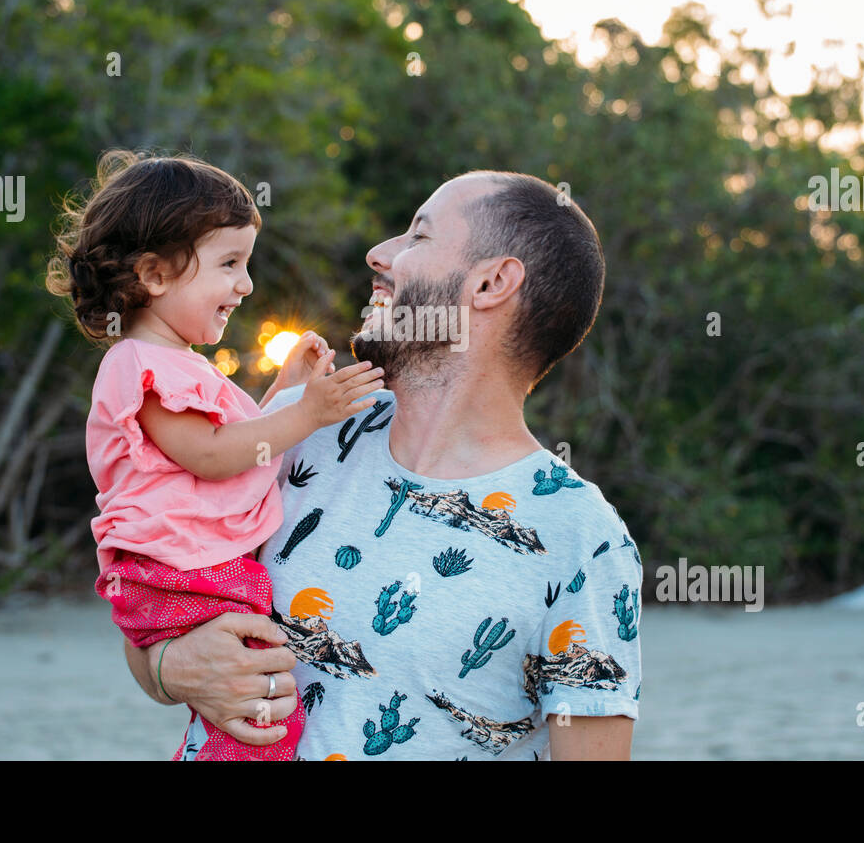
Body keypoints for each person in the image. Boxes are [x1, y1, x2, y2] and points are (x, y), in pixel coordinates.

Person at [124, 170, 643, 760]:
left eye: (418, 237)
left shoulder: (583, 537)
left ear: (493, 282)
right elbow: (153, 597)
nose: (378, 254)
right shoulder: (291, 428)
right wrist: (169, 668)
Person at [46, 150, 387, 760]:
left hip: (195, 571)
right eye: (229, 263)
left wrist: (287, 389)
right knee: (258, 707)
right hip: (178, 576)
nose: (246, 284)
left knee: (253, 702)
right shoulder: (139, 365)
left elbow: (243, 439)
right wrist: (309, 412)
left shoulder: (181, 367)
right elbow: (210, 456)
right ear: (153, 275)